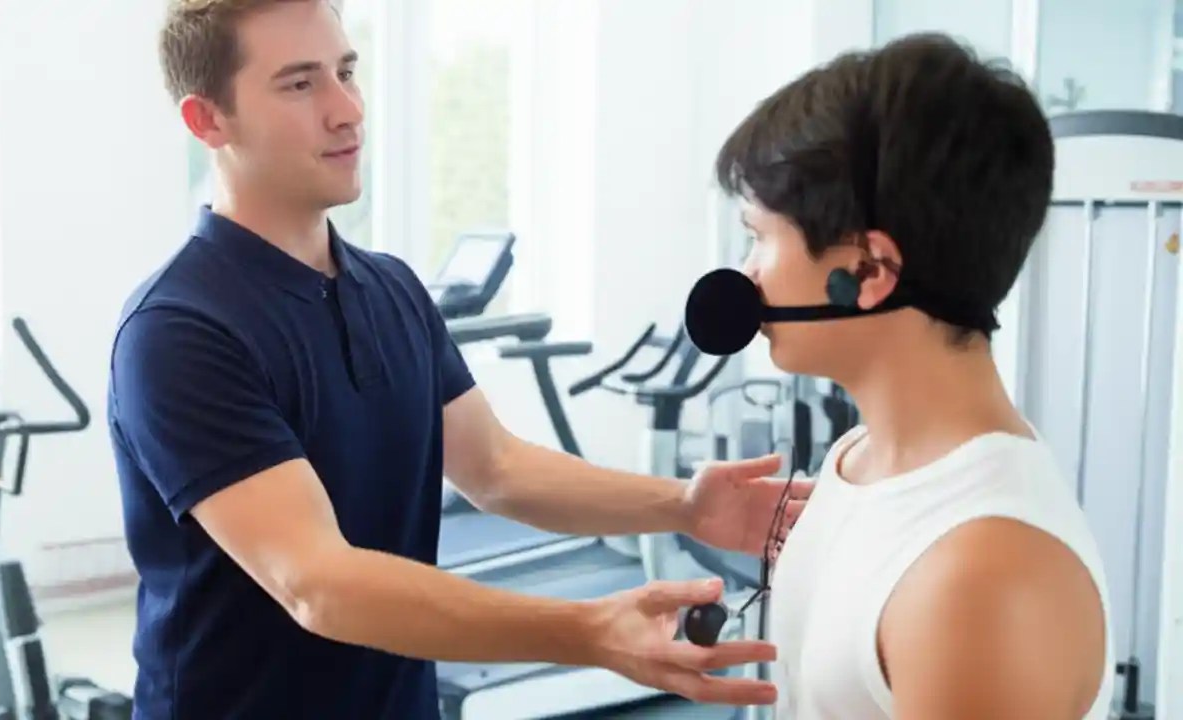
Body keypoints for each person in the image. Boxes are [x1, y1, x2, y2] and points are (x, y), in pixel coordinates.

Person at [107, 1, 804, 718]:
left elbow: (496, 469)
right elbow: (318, 584)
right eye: (300, 84)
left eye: (346, 72)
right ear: (207, 121)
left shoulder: (391, 289)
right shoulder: (178, 330)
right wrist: (588, 630)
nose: (348, 110)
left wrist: (683, 506)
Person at [706, 33, 1115, 719]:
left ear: (867, 271)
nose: (747, 274)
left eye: (760, 238)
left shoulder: (982, 578)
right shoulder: (858, 458)